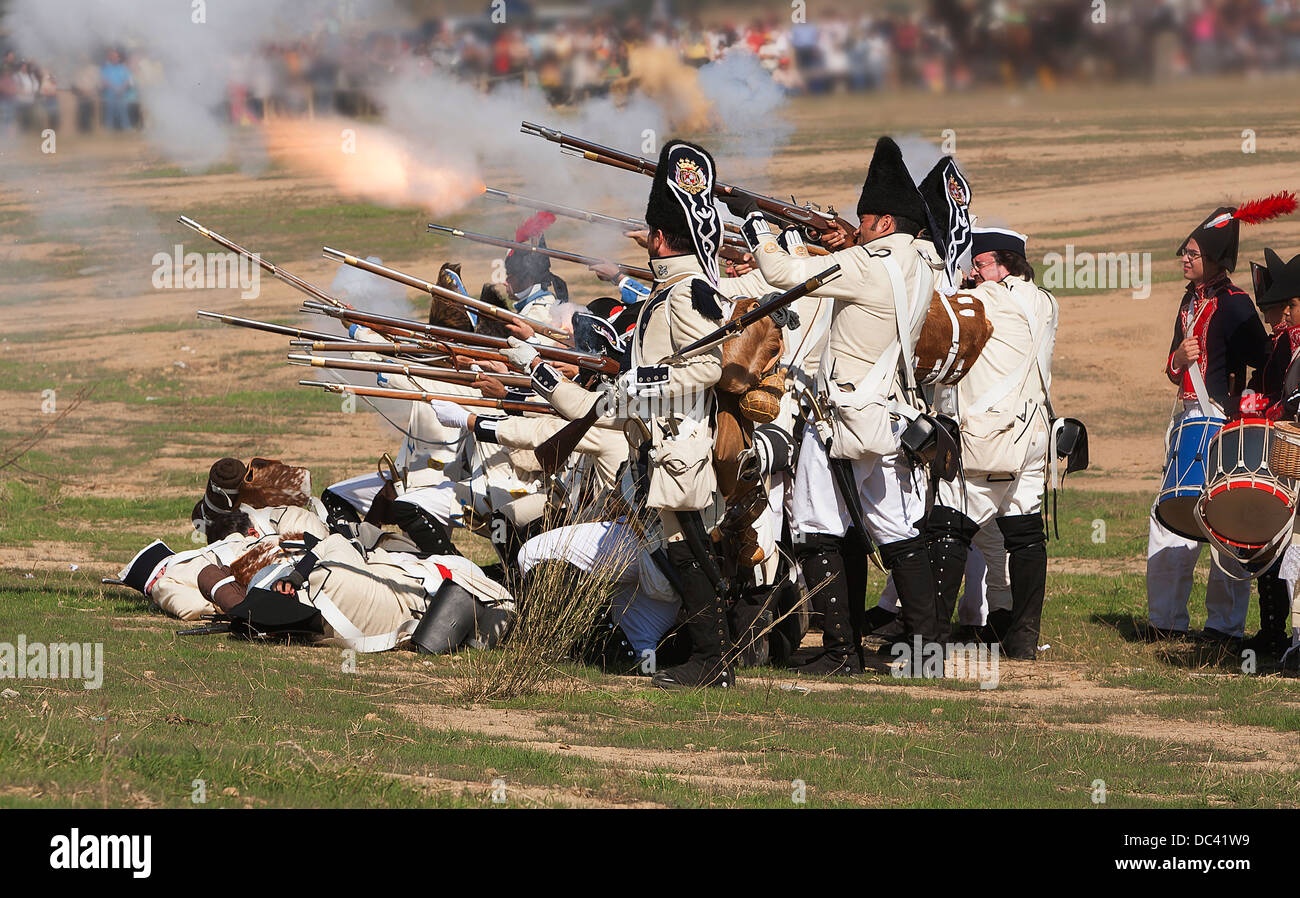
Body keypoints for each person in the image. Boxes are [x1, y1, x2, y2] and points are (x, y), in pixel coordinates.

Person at [726, 136, 963, 674]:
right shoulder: (919, 263)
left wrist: (757, 225)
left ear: (881, 223)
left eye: (864, 222)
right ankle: (915, 652)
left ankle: (847, 650)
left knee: (824, 526)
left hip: (842, 415)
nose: (859, 230)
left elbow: (781, 275)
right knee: (886, 529)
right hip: (878, 412)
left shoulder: (869, 262)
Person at [514, 139, 736, 689]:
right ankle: (717, 656)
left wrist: (641, 382)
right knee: (686, 553)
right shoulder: (671, 292)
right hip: (657, 440)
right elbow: (598, 407)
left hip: (679, 439)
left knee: (687, 553)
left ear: (660, 238)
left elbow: (707, 368)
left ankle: (715, 660)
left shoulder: (687, 295)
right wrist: (535, 367)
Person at [1145, 198, 1288, 643]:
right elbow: (1174, 370)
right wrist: (1178, 359)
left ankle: (1224, 626)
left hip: (1222, 423)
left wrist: (1249, 402)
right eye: (1184, 253)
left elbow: (1267, 361)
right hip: (1187, 419)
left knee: (1225, 521)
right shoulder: (1188, 303)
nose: (1185, 260)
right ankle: (1166, 621)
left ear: (1214, 258)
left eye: (1193, 253)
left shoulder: (1236, 304)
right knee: (1170, 519)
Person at [925, 227, 1057, 659]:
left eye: (981, 264)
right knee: (1025, 534)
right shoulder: (1045, 301)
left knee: (949, 528)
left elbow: (933, 312)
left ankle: (930, 644)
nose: (974, 272)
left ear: (1005, 265)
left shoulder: (989, 297)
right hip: (1035, 434)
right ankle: (1022, 641)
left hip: (989, 435)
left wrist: (964, 288)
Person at [1243, 249, 1300, 658]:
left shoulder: (1290, 346)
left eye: (1279, 307)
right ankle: (1274, 629)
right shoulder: (1280, 344)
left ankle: (1282, 632)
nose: (1272, 317)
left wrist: (1267, 408)